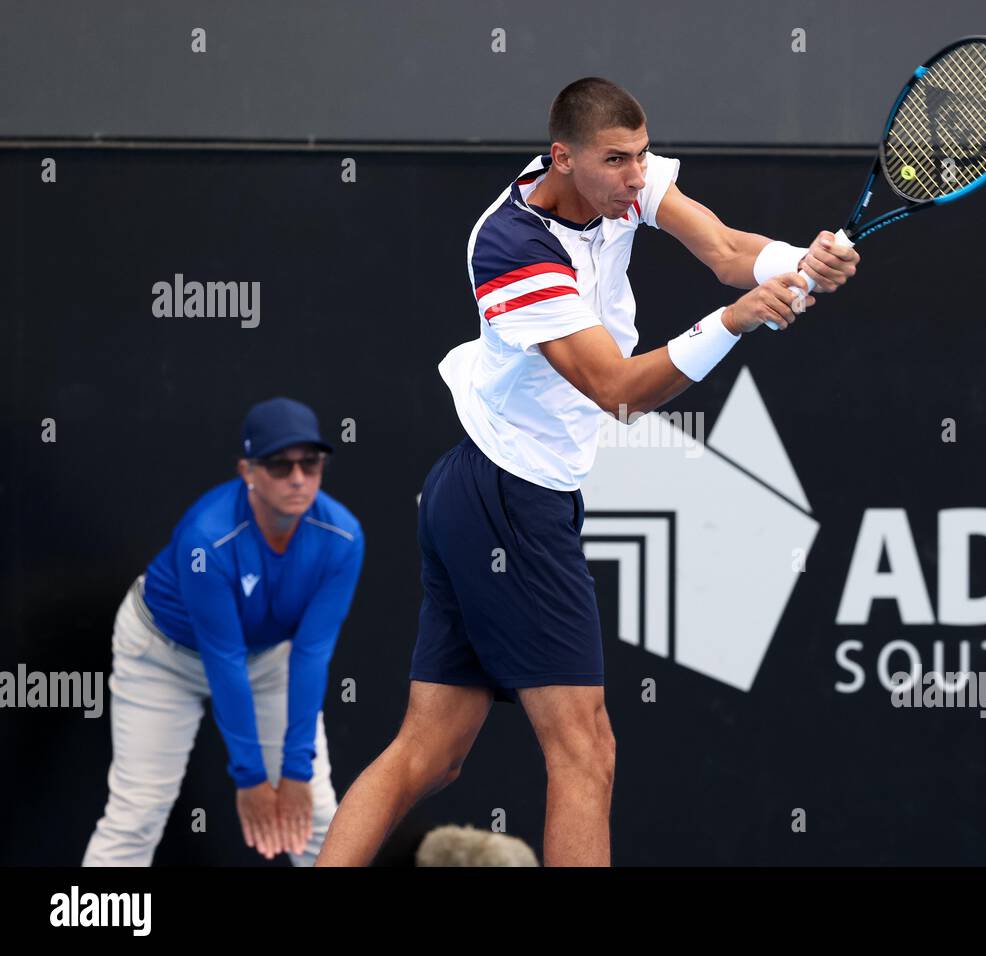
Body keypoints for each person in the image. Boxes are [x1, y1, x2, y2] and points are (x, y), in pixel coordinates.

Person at [316, 76, 858, 867]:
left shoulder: (620, 187)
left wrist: (799, 262)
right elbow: (619, 392)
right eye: (617, 161)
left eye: (642, 157)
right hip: (512, 497)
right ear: (561, 158)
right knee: (587, 751)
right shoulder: (512, 248)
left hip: (482, 489)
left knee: (430, 755)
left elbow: (726, 250)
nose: (637, 177)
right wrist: (737, 321)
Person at [83, 397, 364, 866]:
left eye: (310, 463)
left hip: (270, 660)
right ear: (248, 470)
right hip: (160, 657)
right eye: (278, 464)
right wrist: (251, 779)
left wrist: (295, 772)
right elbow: (224, 658)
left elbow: (311, 654)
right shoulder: (206, 538)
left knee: (314, 815)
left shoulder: (343, 537)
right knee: (138, 814)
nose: (297, 478)